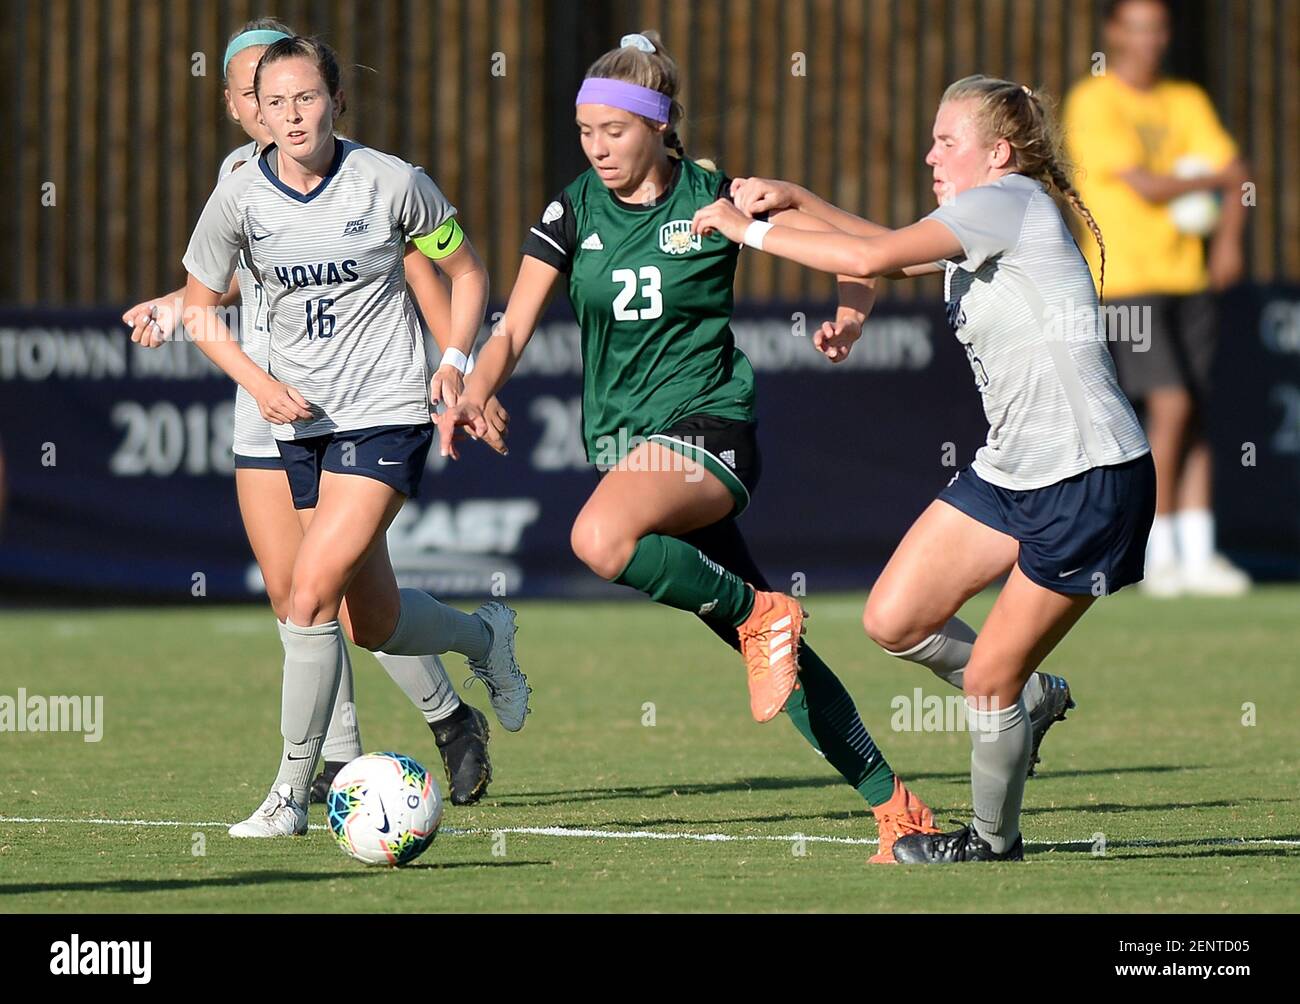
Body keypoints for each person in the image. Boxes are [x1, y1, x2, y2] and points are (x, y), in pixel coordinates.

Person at [440, 31, 939, 863]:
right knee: (778, 663)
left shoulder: (719, 193)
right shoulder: (572, 209)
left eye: (616, 131)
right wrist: (477, 387)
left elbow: (863, 251)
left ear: (660, 124)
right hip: (631, 457)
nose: (598, 149)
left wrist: (853, 309)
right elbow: (513, 327)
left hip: (711, 433)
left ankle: (762, 615)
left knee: (598, 540)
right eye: (586, 133)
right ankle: (898, 808)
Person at [695, 74, 1154, 862]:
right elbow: (888, 248)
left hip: (1087, 478)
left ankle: (990, 841)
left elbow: (872, 254)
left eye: (948, 140)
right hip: (1012, 471)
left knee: (986, 682)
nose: (930, 153)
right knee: (894, 619)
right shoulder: (983, 216)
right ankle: (1032, 701)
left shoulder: (1007, 201)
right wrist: (794, 198)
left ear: (998, 152)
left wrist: (747, 230)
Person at [124, 21, 521, 811]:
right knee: (329, 607)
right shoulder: (237, 184)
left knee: (316, 593)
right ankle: (464, 661)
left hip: (374, 406)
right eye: (258, 93)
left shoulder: (376, 180)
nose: (278, 107)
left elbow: (431, 267)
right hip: (273, 409)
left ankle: (316, 783)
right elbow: (227, 287)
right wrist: (181, 308)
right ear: (244, 106)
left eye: (300, 94)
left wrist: (460, 366)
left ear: (330, 97)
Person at [1064, 0, 1251, 596]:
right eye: (1136, 27)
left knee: (1193, 412)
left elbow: (1241, 172)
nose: (1149, 40)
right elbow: (1144, 184)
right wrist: (1213, 181)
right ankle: (1156, 550)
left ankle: (1199, 554)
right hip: (1126, 280)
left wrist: (1228, 242)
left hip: (1187, 277)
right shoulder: (1094, 101)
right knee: (1166, 408)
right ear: (1114, 33)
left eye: (1158, 27)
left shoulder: (1185, 100)